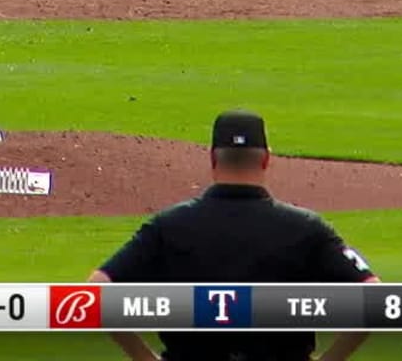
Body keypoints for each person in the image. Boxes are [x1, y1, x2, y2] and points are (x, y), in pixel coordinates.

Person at [90, 109, 377, 361]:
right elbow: (376, 297)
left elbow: (95, 289)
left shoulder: (168, 226)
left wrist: (143, 357)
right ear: (265, 159)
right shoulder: (307, 229)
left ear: (213, 158)